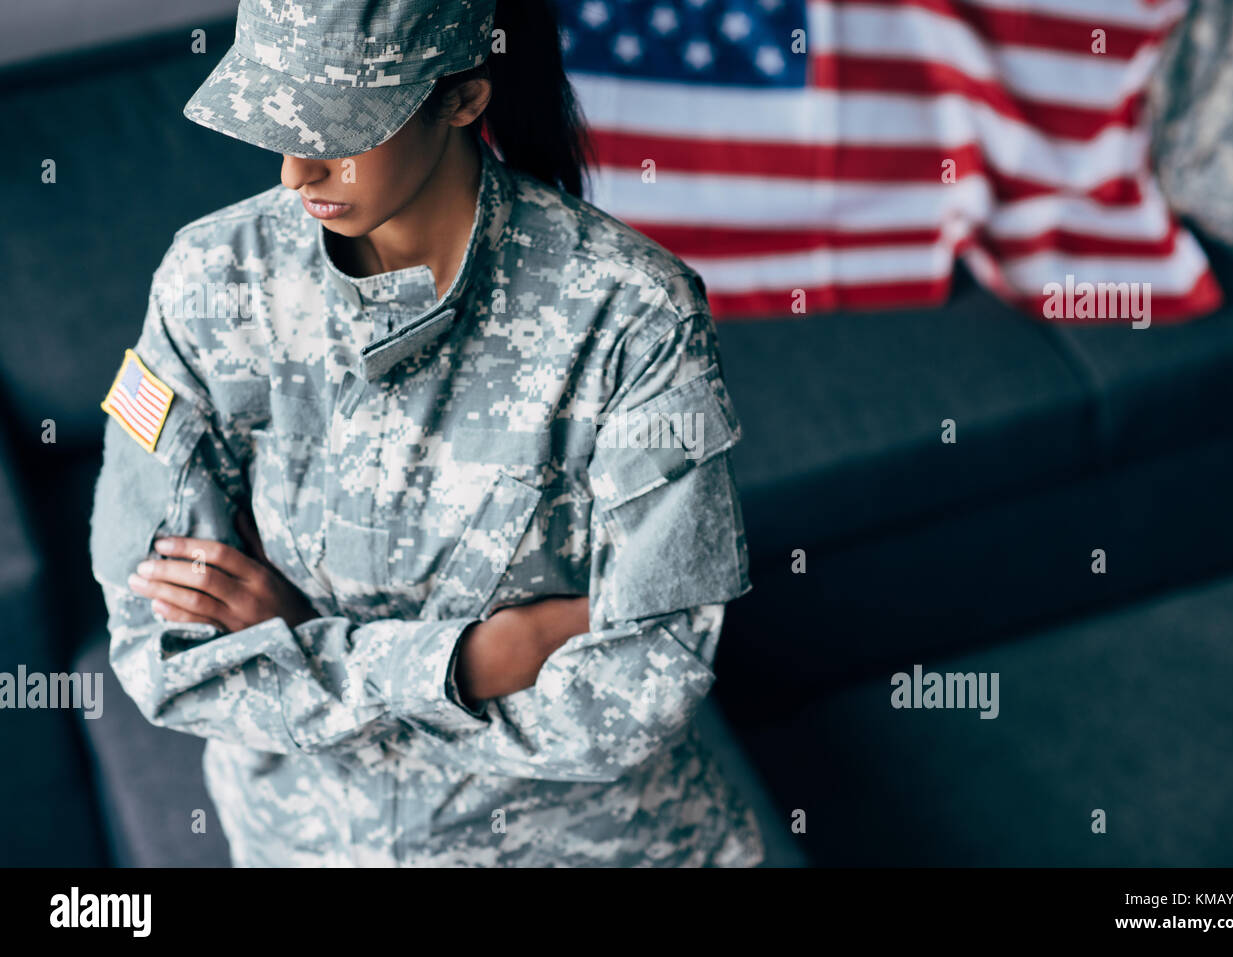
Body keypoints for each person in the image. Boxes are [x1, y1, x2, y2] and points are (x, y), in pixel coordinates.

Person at [88, 0, 765, 867]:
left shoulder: (633, 314)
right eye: (277, 119)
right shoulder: (211, 281)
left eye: (336, 126)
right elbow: (161, 651)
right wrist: (478, 660)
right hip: (305, 842)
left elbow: (642, 687)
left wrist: (299, 637)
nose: (296, 171)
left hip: (590, 846)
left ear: (464, 98)